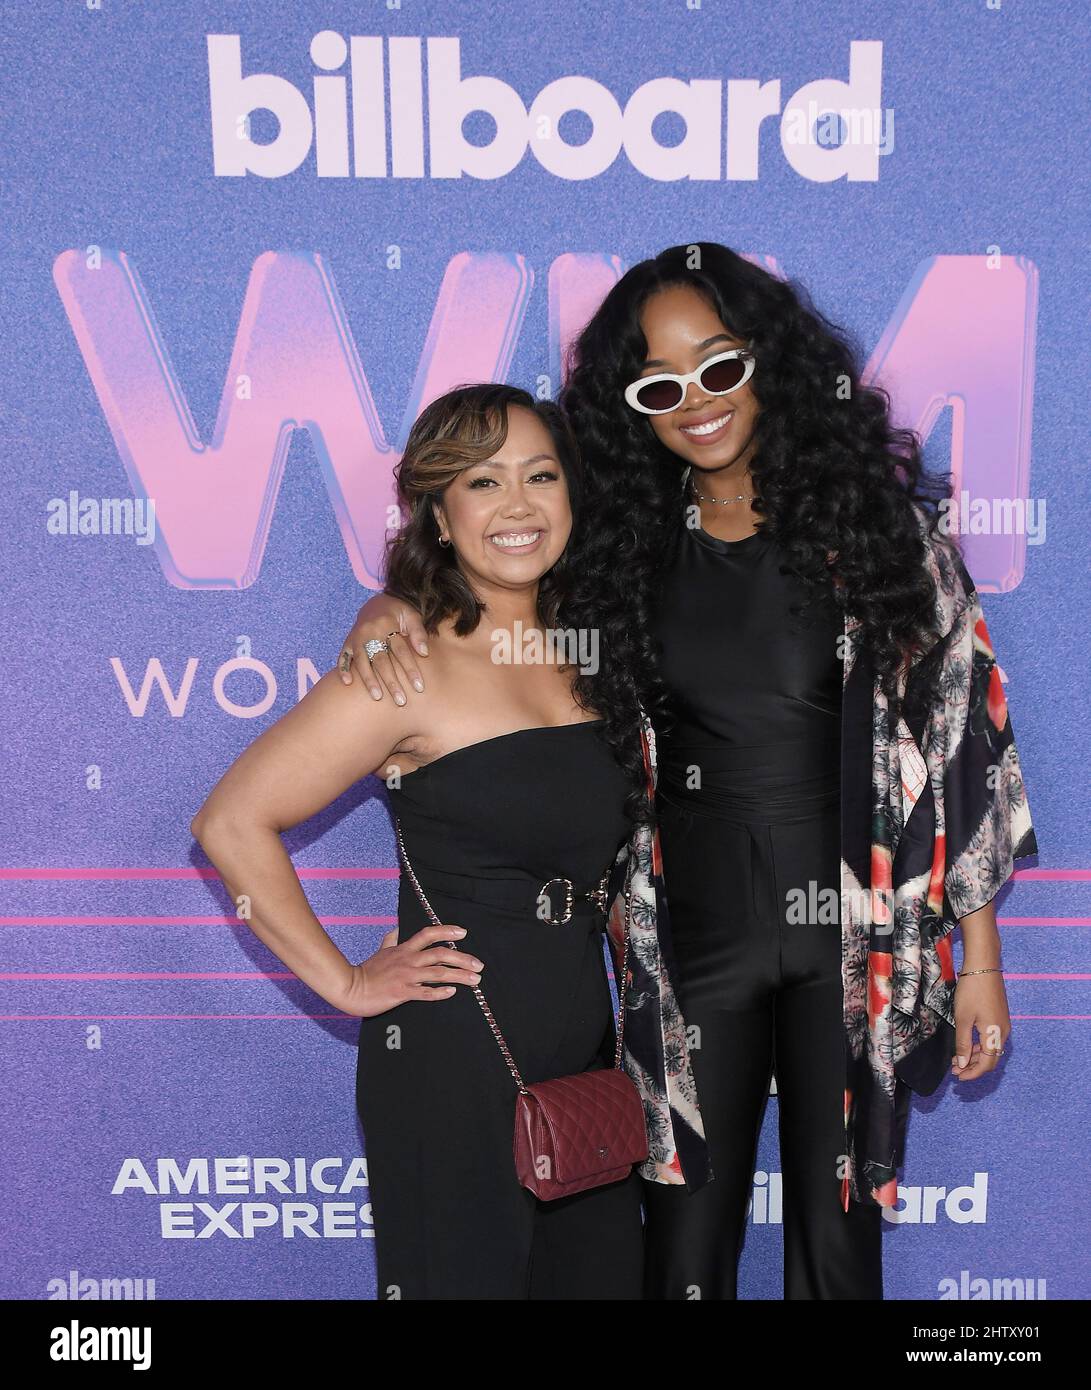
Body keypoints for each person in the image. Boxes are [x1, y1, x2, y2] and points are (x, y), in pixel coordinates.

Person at [339, 244, 1038, 1301]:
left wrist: (976, 959)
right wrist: (386, 606)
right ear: (631, 407)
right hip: (687, 949)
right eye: (659, 385)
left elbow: (959, 747)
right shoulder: (611, 552)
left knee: (838, 1246)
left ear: (767, 360)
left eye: (718, 367)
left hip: (849, 944)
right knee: (679, 1245)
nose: (696, 403)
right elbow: (485, 583)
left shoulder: (878, 535)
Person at [191, 383, 659, 1299]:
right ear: (440, 518)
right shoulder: (405, 667)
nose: (519, 505)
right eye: (483, 484)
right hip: (453, 1058)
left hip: (585, 1057)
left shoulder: (598, 655)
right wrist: (348, 981)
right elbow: (229, 822)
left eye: (541, 475)